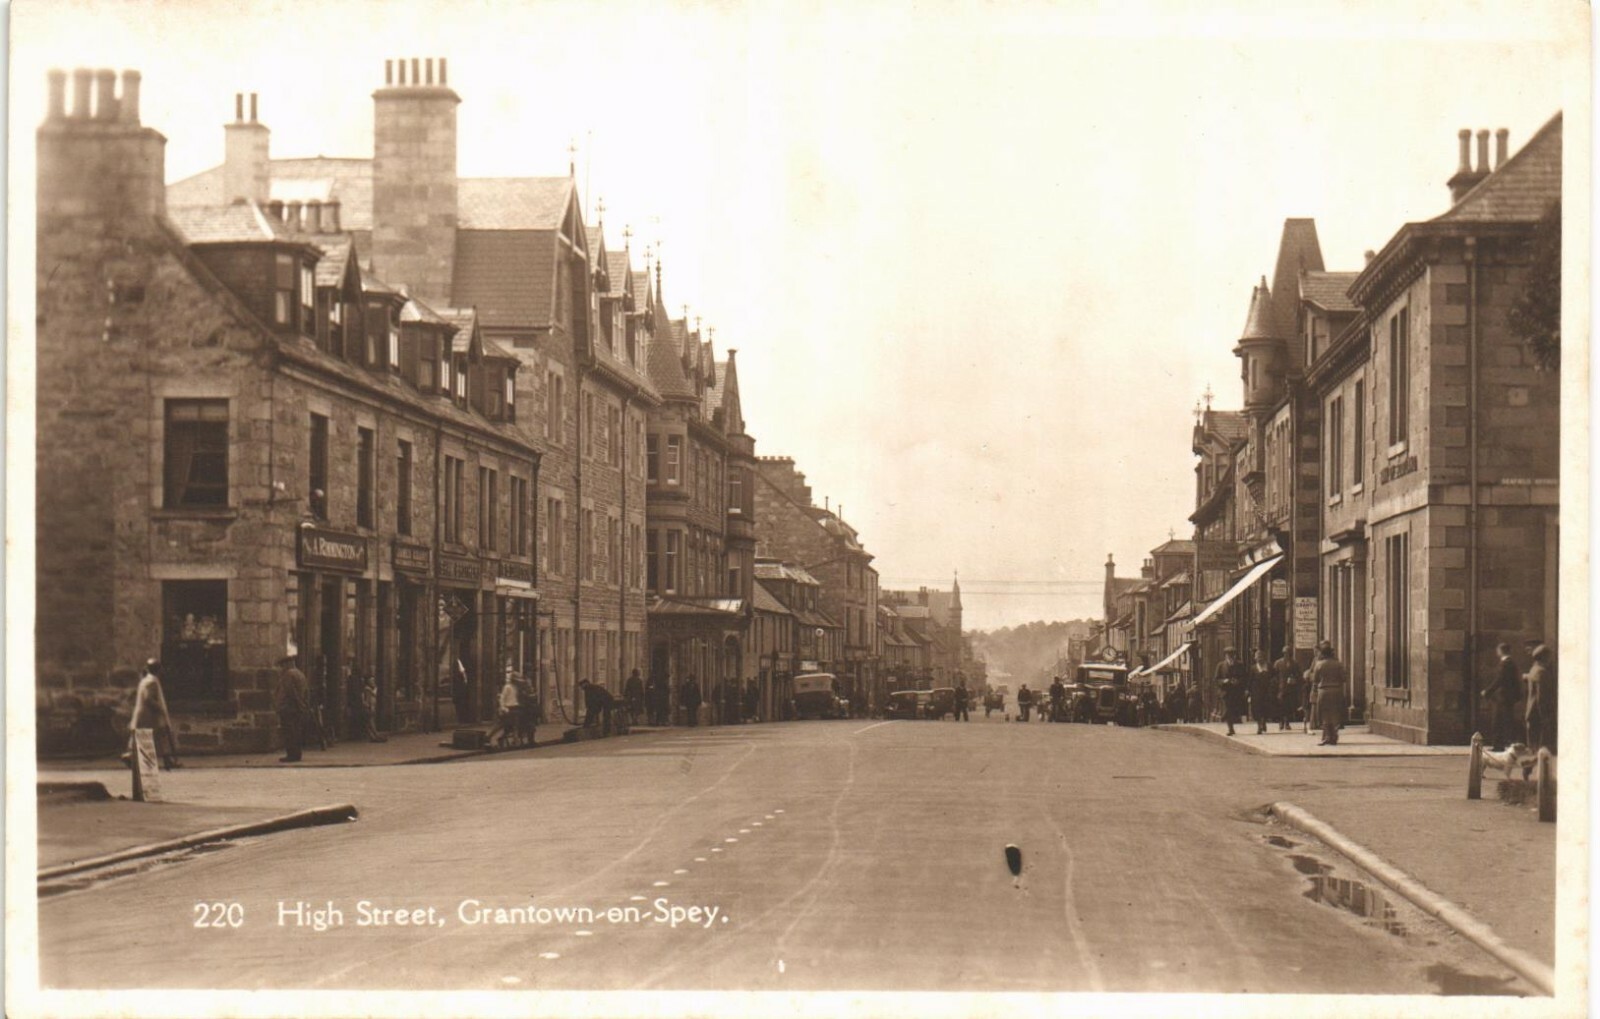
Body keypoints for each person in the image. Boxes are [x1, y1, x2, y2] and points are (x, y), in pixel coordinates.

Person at [128, 659, 180, 770]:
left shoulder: (146, 680)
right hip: (149, 716)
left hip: (146, 716)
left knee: (159, 738)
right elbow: (148, 699)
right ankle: (132, 757)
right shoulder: (151, 681)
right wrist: (160, 708)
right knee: (157, 737)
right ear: (158, 670)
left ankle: (167, 761)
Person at [1480, 643, 1522, 751]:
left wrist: (1487, 692)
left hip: (1503, 698)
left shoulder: (1506, 664)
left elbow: (1500, 680)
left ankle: (1499, 746)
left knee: (1498, 722)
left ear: (1500, 650)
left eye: (1498, 650)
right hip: (1507, 698)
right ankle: (1506, 744)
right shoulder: (1510, 663)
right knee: (1506, 721)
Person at [274, 654, 312, 763]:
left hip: (288, 708)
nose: (282, 668)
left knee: (289, 732)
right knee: (296, 732)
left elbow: (290, 692)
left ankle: (291, 755)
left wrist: (296, 704)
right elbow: (305, 692)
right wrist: (303, 705)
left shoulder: (289, 675)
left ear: (287, 664)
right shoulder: (300, 674)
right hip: (297, 708)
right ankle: (296, 754)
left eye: (282, 665)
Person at [1310, 640, 1347, 746]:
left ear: (1322, 653)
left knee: (1325, 715)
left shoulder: (1319, 665)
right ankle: (1334, 736)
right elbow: (1344, 678)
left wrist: (1314, 690)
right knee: (1335, 714)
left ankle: (1327, 736)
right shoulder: (1338, 664)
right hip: (1336, 691)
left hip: (1324, 691)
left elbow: (1315, 679)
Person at [1524, 643, 1553, 753]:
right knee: (1540, 748)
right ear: (1545, 656)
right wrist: (1544, 715)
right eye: (1549, 656)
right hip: (1538, 712)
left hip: (1531, 710)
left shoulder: (1534, 669)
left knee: (1533, 746)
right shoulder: (1542, 672)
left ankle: (1529, 766)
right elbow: (1541, 696)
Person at [1214, 647, 1247, 736]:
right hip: (1225, 691)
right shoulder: (1220, 665)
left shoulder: (1240, 665)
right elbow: (1216, 679)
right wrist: (1225, 681)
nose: (1230, 656)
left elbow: (1244, 677)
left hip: (1236, 691)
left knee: (1233, 709)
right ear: (1225, 655)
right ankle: (1230, 728)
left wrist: (1238, 681)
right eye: (1228, 654)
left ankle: (1230, 723)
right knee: (1228, 709)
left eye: (1232, 654)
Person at [486, 672, 521, 748]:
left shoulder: (515, 687)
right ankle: (488, 737)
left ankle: (515, 741)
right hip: (508, 708)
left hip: (515, 708)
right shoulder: (507, 687)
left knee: (514, 726)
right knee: (501, 725)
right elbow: (502, 698)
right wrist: (503, 708)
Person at [1249, 649, 1276, 735]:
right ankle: (1259, 725)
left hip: (1267, 691)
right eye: (1257, 657)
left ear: (1264, 658)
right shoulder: (1253, 668)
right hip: (1256, 692)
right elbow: (1250, 680)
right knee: (1257, 709)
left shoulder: (1269, 666)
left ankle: (1263, 721)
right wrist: (1248, 691)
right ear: (1255, 659)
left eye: (1261, 657)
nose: (1259, 659)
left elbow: (1274, 677)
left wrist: (1273, 686)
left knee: (1265, 708)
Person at [1274, 647, 1302, 731]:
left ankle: (1287, 722)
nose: (1287, 655)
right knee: (1281, 705)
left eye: (1289, 653)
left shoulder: (1295, 663)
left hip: (1291, 688)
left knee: (1289, 706)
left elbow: (1299, 675)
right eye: (1286, 653)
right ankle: (1281, 721)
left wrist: (1295, 680)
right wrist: (1276, 685)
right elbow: (1274, 676)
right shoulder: (1278, 663)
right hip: (1281, 687)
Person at [360, 674, 386, 743]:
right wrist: (369, 707)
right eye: (371, 681)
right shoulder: (368, 689)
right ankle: (375, 735)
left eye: (373, 680)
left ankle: (372, 736)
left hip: (372, 706)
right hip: (369, 707)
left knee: (369, 722)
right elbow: (368, 699)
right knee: (371, 721)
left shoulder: (370, 689)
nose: (373, 682)